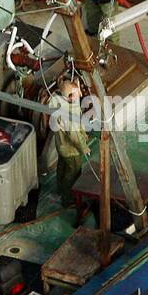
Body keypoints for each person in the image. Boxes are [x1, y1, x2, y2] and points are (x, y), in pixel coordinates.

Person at [46, 77, 90, 206]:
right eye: (77, 93)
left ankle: (60, 190)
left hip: (61, 146)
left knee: (62, 167)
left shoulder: (57, 102)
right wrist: (84, 148)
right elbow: (74, 135)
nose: (80, 94)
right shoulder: (69, 114)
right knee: (73, 173)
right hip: (71, 150)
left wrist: (74, 85)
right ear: (70, 97)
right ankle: (67, 199)